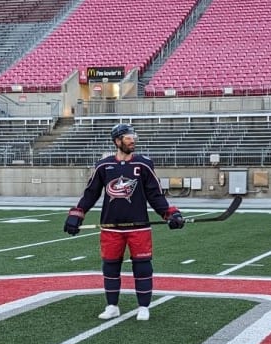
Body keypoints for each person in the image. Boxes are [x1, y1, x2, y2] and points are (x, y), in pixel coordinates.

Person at [63, 123, 185, 321]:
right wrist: (77, 214)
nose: (133, 140)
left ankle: (143, 307)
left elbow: (155, 194)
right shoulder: (103, 165)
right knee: (110, 267)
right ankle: (112, 306)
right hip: (111, 228)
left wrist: (170, 213)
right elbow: (91, 193)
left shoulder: (144, 164)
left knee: (143, 267)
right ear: (117, 141)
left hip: (139, 227)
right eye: (128, 137)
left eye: (133, 137)